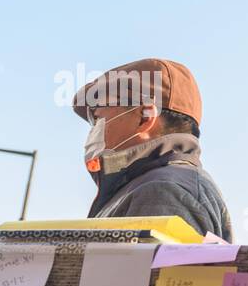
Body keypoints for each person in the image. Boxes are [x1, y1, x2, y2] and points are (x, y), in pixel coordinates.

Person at [71, 58, 232, 240]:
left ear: (144, 117)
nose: (93, 130)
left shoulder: (162, 190)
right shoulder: (153, 185)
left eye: (97, 118)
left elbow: (142, 269)